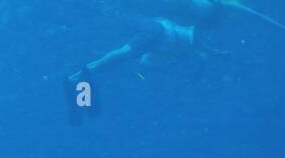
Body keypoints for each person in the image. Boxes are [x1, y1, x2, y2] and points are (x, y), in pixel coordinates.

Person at [64, 1, 285, 121]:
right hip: (159, 30)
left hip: (158, 32)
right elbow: (198, 46)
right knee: (125, 53)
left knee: (125, 55)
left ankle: (82, 73)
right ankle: (85, 71)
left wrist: (215, 54)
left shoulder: (195, 33)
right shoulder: (208, 20)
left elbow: (152, 62)